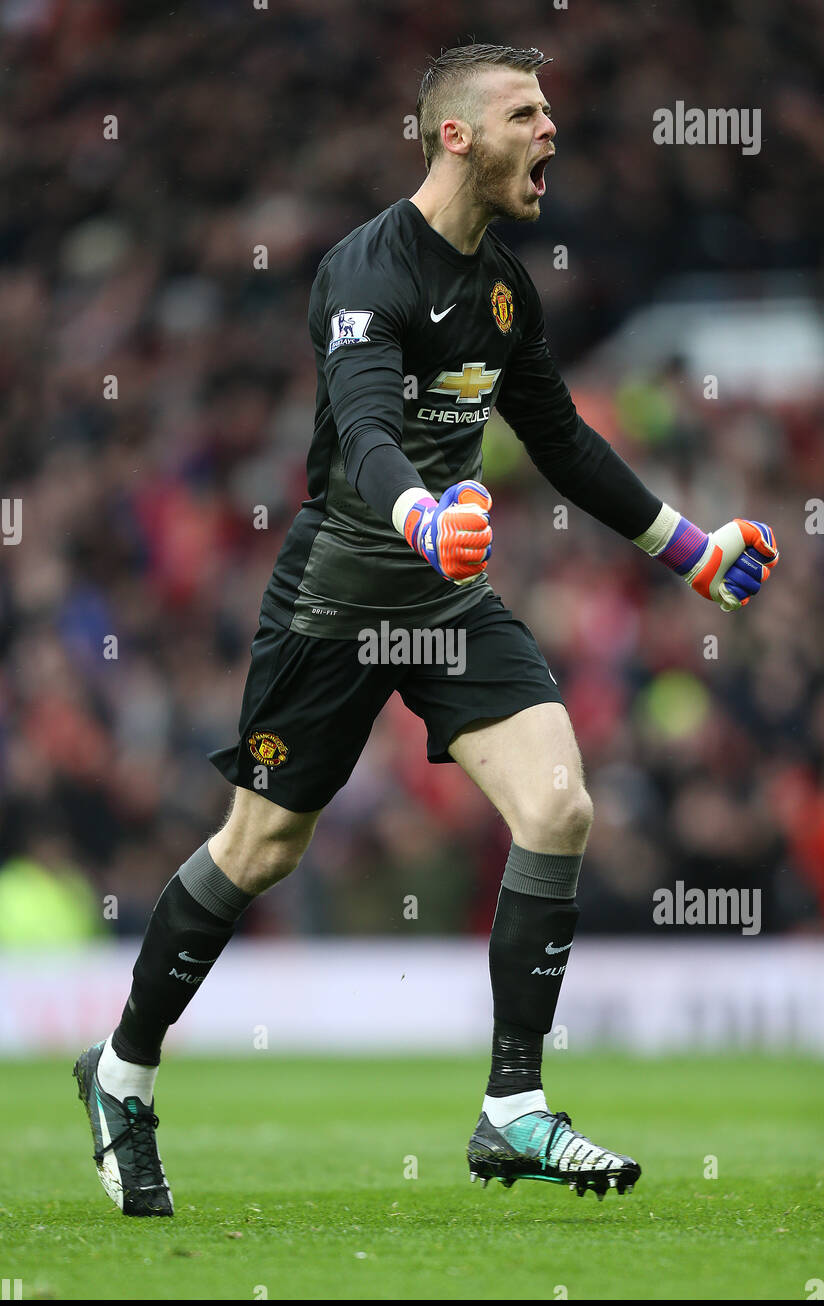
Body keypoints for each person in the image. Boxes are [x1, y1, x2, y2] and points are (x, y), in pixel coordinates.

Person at [73, 43, 778, 1216]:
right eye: (524, 112)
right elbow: (359, 419)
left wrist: (687, 547)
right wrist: (419, 510)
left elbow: (556, 440)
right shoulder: (365, 269)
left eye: (549, 111)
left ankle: (511, 1108)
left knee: (556, 804)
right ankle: (122, 1071)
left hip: (445, 602)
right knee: (260, 849)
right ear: (455, 135)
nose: (550, 130)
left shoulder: (505, 289)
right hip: (338, 599)